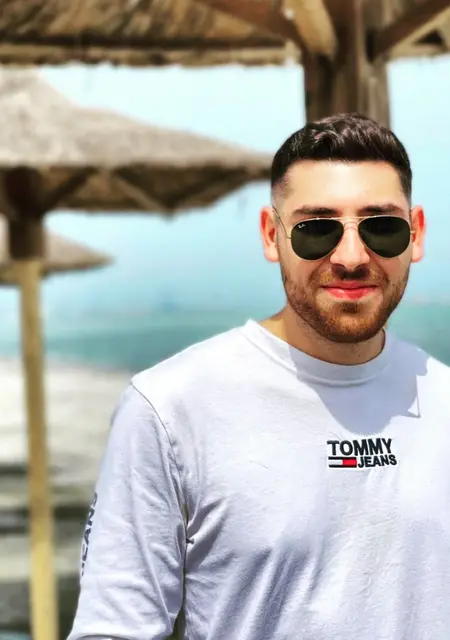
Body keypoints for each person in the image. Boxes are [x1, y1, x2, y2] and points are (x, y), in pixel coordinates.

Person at [68, 112, 450, 640]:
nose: (351, 257)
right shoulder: (170, 409)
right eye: (317, 229)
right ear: (272, 235)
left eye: (381, 226)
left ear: (417, 234)